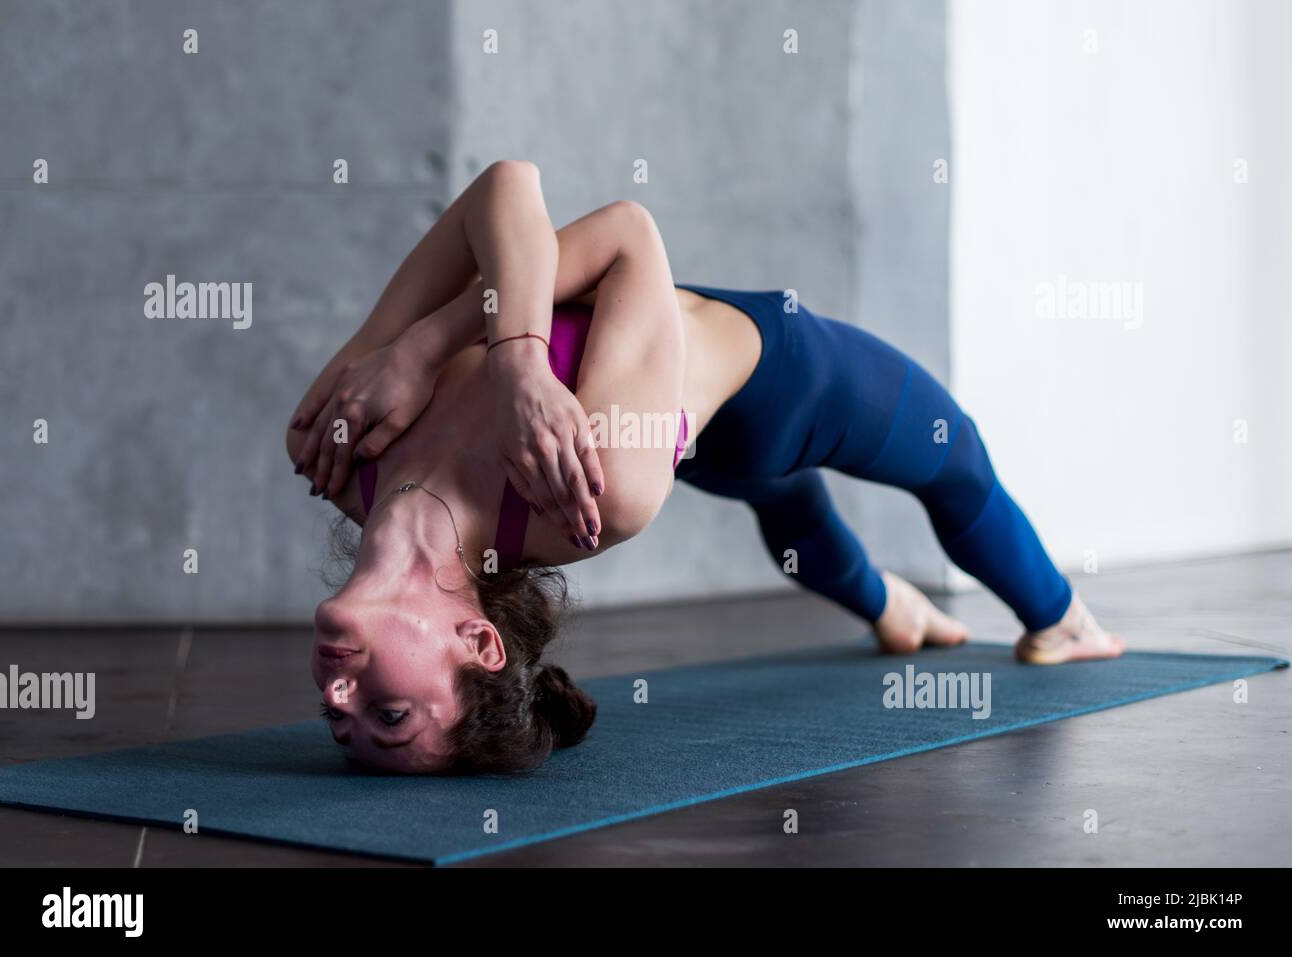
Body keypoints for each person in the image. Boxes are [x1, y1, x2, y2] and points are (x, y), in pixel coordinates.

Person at [286, 160, 1125, 774]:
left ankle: (890, 607)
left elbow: (504, 187)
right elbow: (625, 235)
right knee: (954, 459)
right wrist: (510, 360)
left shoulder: (338, 442)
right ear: (477, 640)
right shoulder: (598, 485)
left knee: (789, 509)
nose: (335, 700)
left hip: (680, 413)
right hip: (779, 383)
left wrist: (430, 347)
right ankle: (1061, 620)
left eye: (341, 724)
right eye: (385, 714)